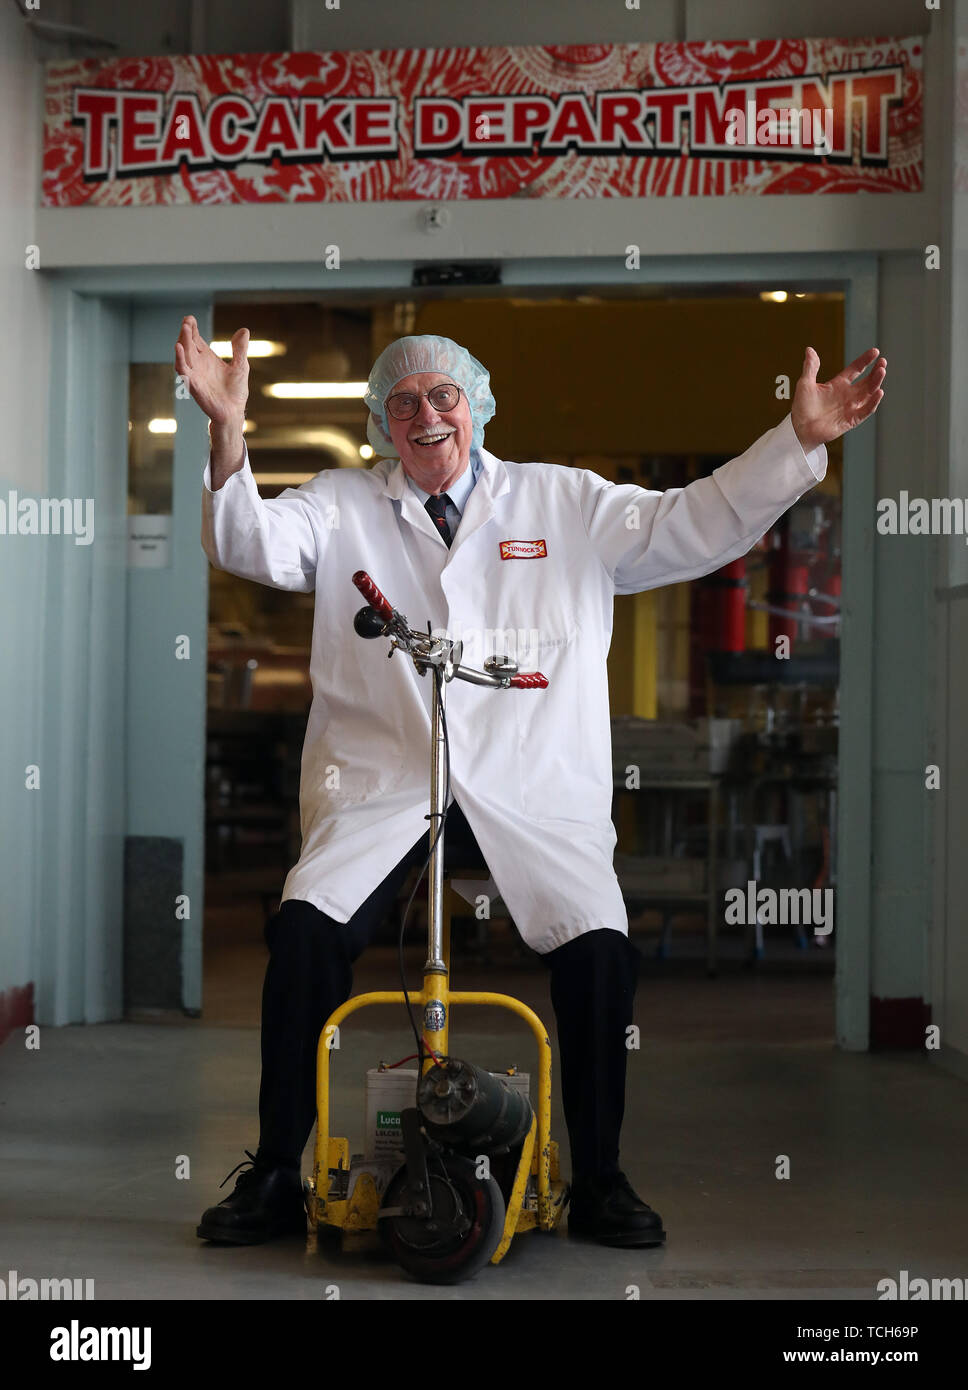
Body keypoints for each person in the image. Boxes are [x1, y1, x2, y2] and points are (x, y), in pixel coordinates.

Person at [176, 317, 885, 1248]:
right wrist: (229, 433)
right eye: (403, 402)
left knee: (599, 955)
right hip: (388, 781)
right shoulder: (342, 502)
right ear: (381, 424)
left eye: (443, 397)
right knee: (303, 938)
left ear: (477, 408)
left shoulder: (565, 503)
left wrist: (795, 440)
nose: (425, 415)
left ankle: (601, 1179)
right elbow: (247, 542)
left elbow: (696, 520)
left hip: (532, 787)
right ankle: (272, 1173)